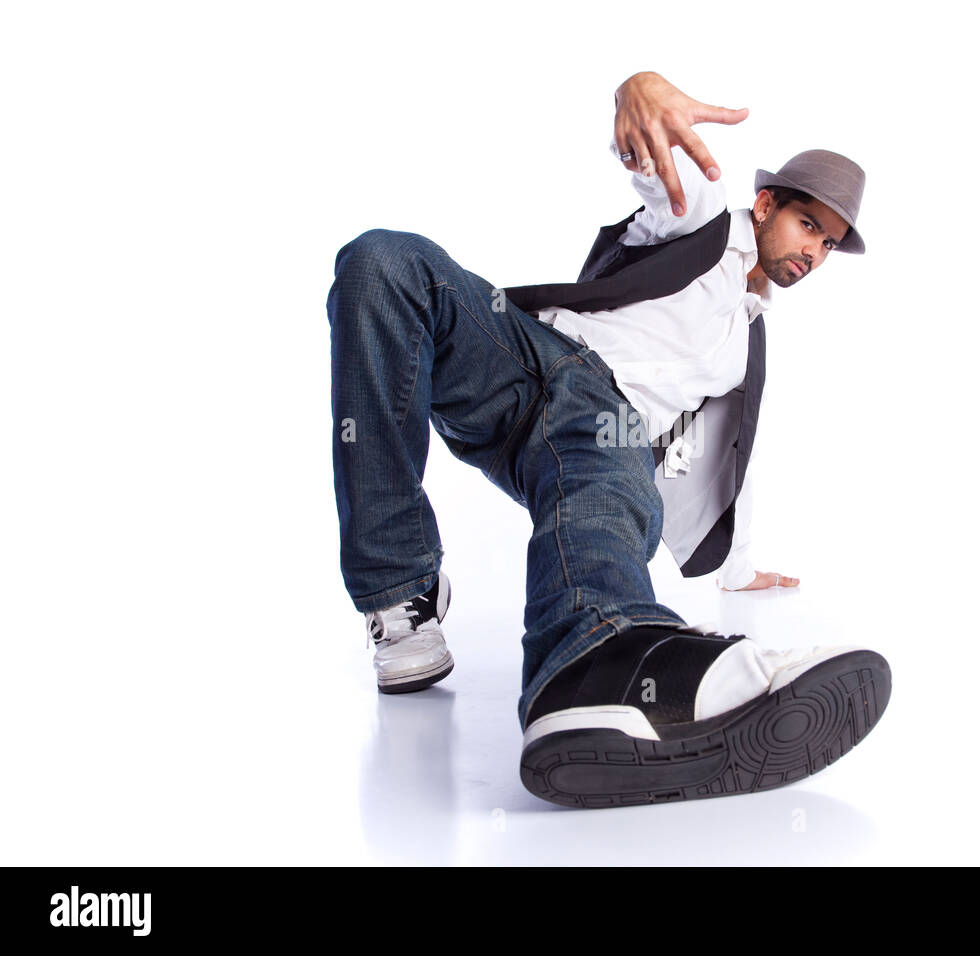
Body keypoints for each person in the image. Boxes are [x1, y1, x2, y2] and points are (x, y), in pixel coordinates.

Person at [326, 71, 891, 808]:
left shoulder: (745, 344)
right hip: (528, 357)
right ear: (766, 205)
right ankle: (400, 593)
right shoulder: (711, 228)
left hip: (603, 426)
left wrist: (739, 564)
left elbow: (732, 456)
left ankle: (593, 661)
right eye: (809, 225)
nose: (814, 252)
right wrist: (640, 95)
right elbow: (669, 180)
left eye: (830, 243)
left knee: (610, 478)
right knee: (383, 263)